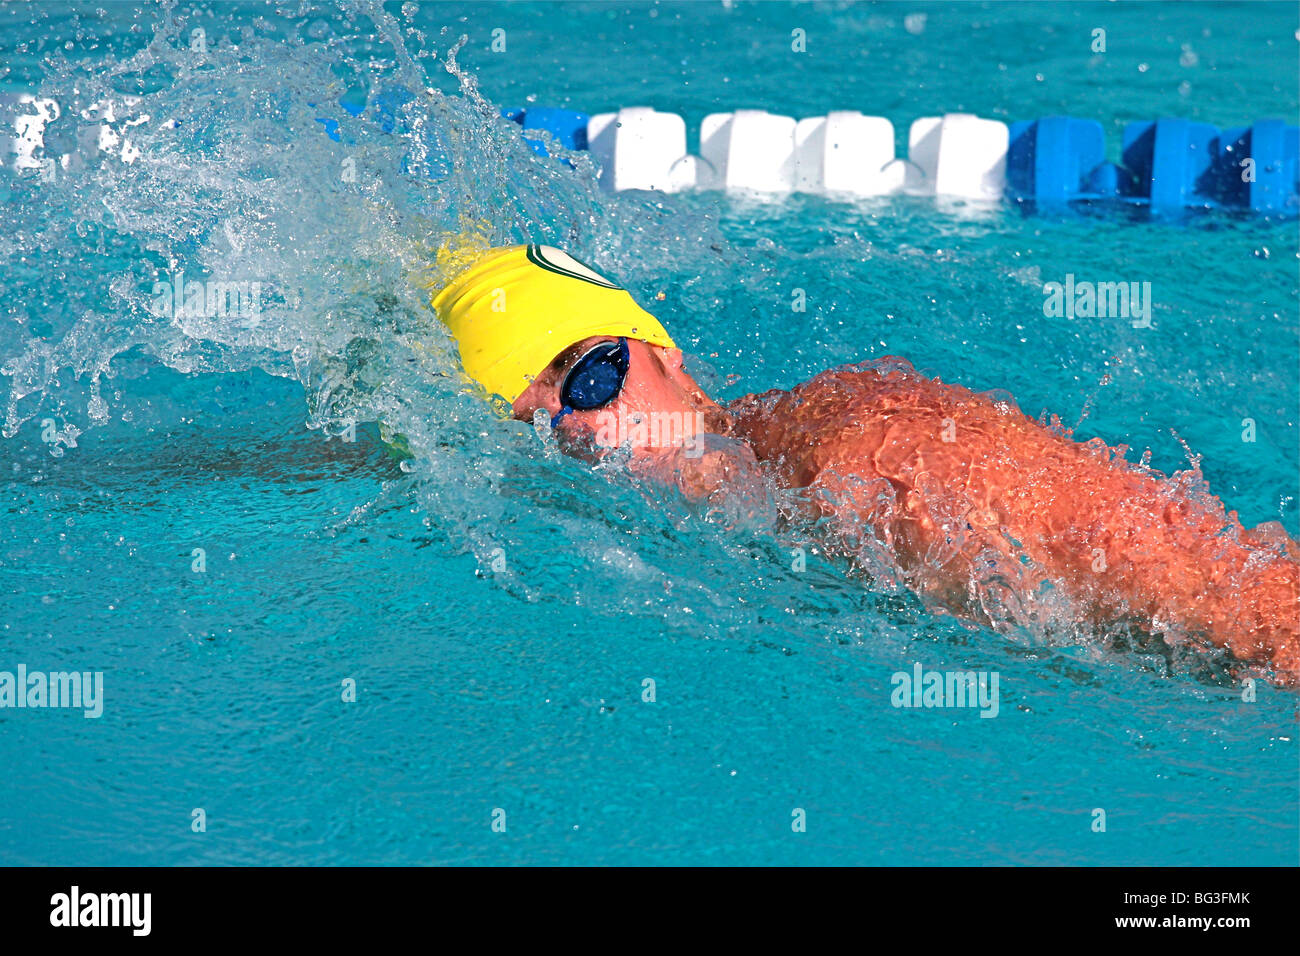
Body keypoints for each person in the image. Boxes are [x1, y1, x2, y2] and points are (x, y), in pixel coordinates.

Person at [432, 244, 1300, 684]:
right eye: (534, 421)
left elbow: (1229, 594)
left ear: (660, 348)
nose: (581, 426)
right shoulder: (700, 531)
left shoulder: (868, 453)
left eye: (591, 375)